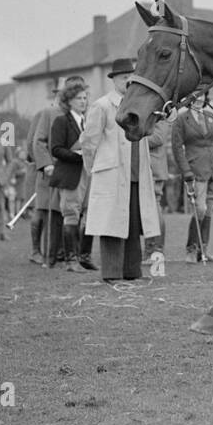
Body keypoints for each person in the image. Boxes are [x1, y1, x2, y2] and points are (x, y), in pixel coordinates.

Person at [80, 58, 158, 281]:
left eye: (131, 77)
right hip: (111, 173)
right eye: (124, 77)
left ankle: (132, 272)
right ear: (114, 80)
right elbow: (89, 143)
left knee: (133, 223)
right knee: (111, 224)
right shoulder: (102, 105)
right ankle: (112, 273)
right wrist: (94, 170)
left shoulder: (140, 104)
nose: (128, 81)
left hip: (136, 172)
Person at [25, 76, 86, 266]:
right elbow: (36, 142)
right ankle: (42, 253)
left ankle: (67, 253)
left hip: (74, 171)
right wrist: (45, 164)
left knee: (70, 212)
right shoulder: (47, 113)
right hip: (51, 171)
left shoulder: (82, 115)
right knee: (46, 212)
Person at [171, 100, 213, 261]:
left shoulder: (210, 115)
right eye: (196, 95)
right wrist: (186, 171)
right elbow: (177, 148)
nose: (199, 99)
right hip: (196, 169)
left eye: (203, 94)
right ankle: (191, 249)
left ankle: (203, 250)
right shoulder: (181, 119)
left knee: (209, 210)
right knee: (200, 208)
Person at [46, 84, 89, 270]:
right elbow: (56, 149)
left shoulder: (88, 122)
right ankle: (71, 260)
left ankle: (83, 257)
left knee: (87, 215)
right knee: (71, 214)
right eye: (79, 98)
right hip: (70, 174)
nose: (83, 101)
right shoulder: (61, 121)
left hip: (88, 174)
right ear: (69, 101)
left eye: (85, 97)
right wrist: (78, 156)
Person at [143, 115, 171, 267]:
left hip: (154, 168)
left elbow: (158, 138)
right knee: (151, 209)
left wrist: (133, 140)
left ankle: (156, 250)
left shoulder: (160, 117)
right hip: (151, 167)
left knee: (154, 207)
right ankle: (150, 250)